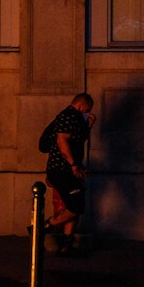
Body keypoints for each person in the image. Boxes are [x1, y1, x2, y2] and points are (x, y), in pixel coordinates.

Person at [42, 93, 96, 255]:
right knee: (76, 205)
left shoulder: (75, 119)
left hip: (69, 169)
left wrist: (88, 125)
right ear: (81, 105)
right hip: (63, 169)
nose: (87, 112)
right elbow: (62, 140)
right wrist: (73, 165)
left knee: (75, 204)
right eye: (87, 110)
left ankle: (67, 244)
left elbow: (77, 140)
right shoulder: (69, 116)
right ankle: (42, 227)